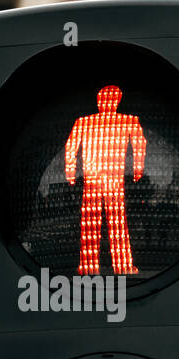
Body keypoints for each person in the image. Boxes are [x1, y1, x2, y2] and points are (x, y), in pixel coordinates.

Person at [64, 85, 146, 275]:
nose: (106, 103)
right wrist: (137, 170)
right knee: (112, 223)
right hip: (106, 179)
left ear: (116, 101)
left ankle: (90, 266)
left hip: (98, 178)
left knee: (95, 224)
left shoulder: (86, 122)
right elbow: (71, 146)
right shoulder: (125, 121)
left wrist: (70, 172)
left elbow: (139, 143)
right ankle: (120, 266)